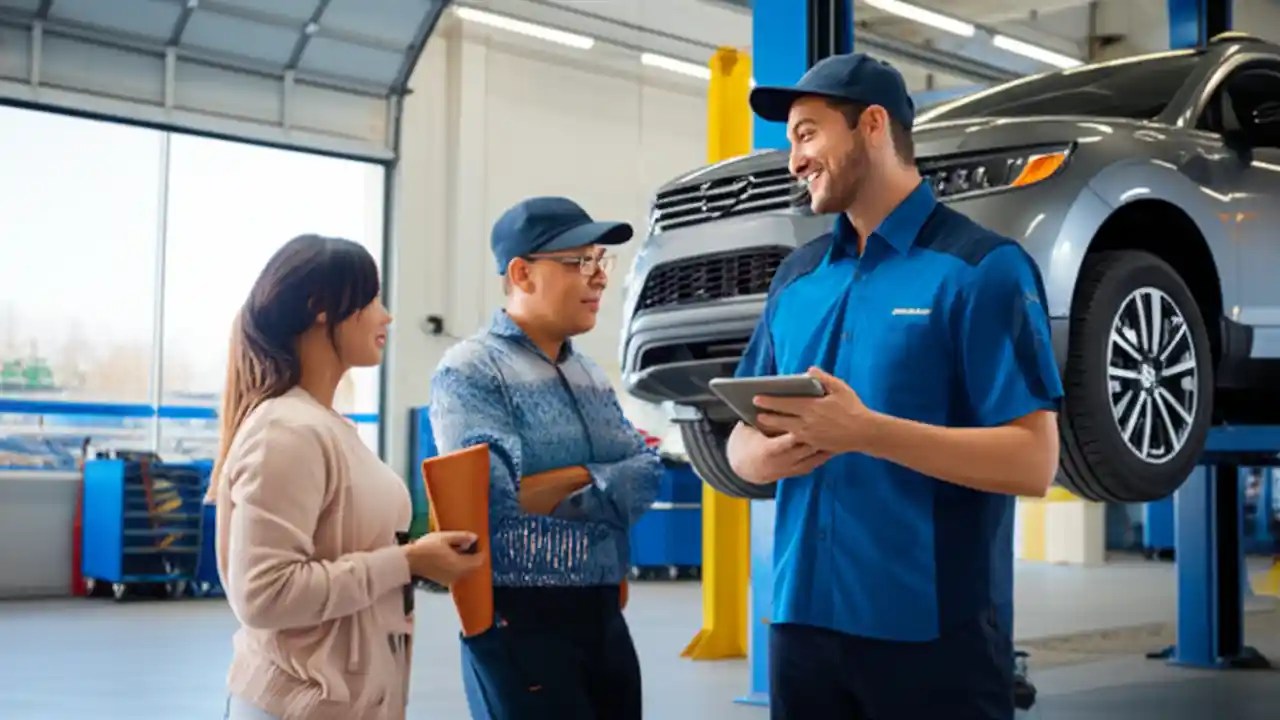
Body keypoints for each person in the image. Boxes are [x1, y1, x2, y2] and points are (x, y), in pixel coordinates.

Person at [727, 53, 1064, 720]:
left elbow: (1033, 461)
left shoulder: (979, 269)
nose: (793, 159)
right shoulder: (797, 279)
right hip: (799, 627)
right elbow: (741, 436)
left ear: (872, 125)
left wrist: (866, 433)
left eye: (806, 134)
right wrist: (759, 458)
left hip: (932, 634)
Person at [208, 234, 486, 720]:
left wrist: (421, 560)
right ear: (321, 307)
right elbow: (265, 594)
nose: (387, 316)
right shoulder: (285, 431)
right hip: (297, 706)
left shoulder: (325, 427)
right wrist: (405, 562)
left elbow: (349, 554)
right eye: (372, 298)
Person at [429, 196, 664, 720]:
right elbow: (492, 502)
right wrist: (607, 482)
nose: (599, 277)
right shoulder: (472, 371)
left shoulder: (590, 376)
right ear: (522, 273)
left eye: (600, 261)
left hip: (604, 617)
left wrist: (567, 483)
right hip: (519, 621)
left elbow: (647, 475)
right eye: (579, 262)